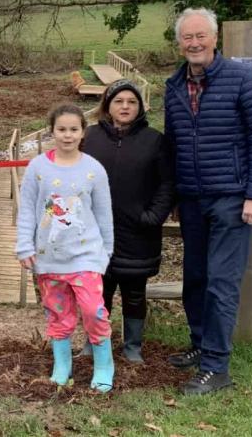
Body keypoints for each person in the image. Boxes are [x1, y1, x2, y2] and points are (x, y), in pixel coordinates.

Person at [163, 7, 252, 395]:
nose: (194, 43)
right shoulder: (174, 86)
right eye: (187, 38)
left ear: (215, 39)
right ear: (179, 44)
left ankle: (217, 367)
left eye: (201, 36)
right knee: (194, 279)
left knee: (221, 283)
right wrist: (176, 194)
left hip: (231, 198)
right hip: (192, 200)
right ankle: (199, 344)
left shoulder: (241, 78)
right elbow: (174, 145)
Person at [16, 103, 115, 393]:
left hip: (86, 257)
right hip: (50, 258)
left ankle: (104, 364)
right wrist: (24, 246)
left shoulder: (94, 170)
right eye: (62, 129)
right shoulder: (38, 168)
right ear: (52, 132)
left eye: (73, 129)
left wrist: (105, 252)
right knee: (57, 313)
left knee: (93, 309)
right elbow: (28, 212)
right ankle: (62, 365)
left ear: (83, 132)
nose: (67, 135)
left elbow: (103, 213)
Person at [82, 80, 175, 364]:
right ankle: (95, 343)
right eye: (119, 101)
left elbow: (168, 184)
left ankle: (133, 346)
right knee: (98, 292)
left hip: (138, 231)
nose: (125, 106)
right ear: (107, 106)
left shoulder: (154, 140)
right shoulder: (90, 137)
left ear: (140, 107)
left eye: (131, 102)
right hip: (96, 232)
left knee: (135, 293)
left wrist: (153, 216)